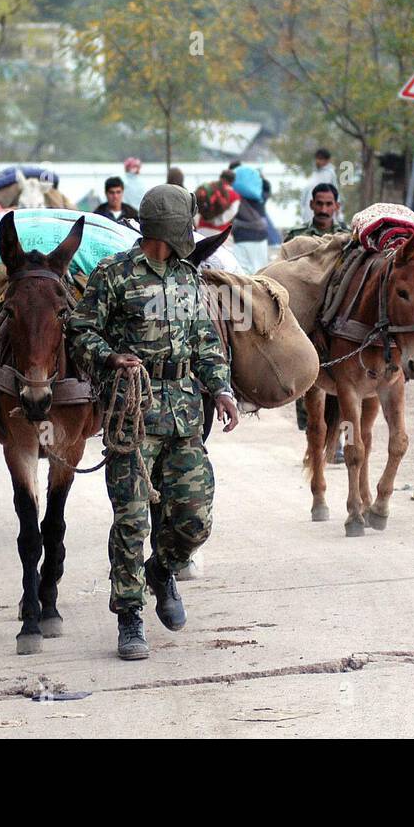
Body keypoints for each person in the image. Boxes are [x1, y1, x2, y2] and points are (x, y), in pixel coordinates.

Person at [67, 184, 240, 661]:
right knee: (131, 519)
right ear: (171, 227)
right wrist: (109, 357)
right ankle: (129, 617)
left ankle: (162, 571)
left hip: (184, 413)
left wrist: (221, 388)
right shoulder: (114, 276)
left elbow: (206, 342)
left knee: (195, 518)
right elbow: (79, 330)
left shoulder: (189, 278)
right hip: (133, 415)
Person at [229, 163, 270, 272]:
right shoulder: (259, 197)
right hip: (261, 237)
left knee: (243, 272)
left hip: (242, 238)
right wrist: (260, 177)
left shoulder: (234, 197)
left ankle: (248, 289)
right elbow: (267, 189)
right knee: (261, 271)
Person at [285, 183, 350, 242]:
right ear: (311, 204)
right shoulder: (295, 235)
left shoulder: (348, 235)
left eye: (329, 204)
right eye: (319, 204)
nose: (323, 210)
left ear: (337, 206)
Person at [300, 148, 340, 224]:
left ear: (327, 161)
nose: (318, 161)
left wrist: (337, 211)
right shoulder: (314, 173)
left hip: (323, 211)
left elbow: (335, 193)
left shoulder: (330, 174)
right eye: (317, 158)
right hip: (310, 209)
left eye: (321, 159)